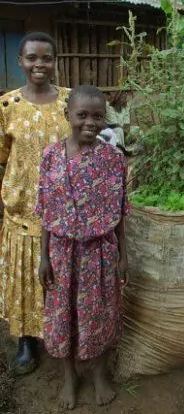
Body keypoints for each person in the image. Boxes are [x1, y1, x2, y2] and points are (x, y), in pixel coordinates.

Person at [36, 85, 129, 409]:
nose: (91, 121)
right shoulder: (50, 157)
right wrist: (44, 257)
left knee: (100, 314)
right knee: (63, 317)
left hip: (99, 254)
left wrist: (123, 256)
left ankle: (99, 374)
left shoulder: (113, 160)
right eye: (82, 115)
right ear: (67, 115)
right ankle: (69, 376)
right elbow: (46, 212)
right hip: (61, 255)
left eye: (98, 115)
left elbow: (121, 213)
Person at [0, 32, 71, 375]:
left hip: (65, 210)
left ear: (55, 61)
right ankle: (27, 340)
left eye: (46, 58)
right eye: (31, 58)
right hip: (23, 209)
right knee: (28, 277)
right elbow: (3, 155)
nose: (39, 64)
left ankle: (62, 334)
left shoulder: (70, 103)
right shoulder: (7, 106)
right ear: (20, 61)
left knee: (62, 274)